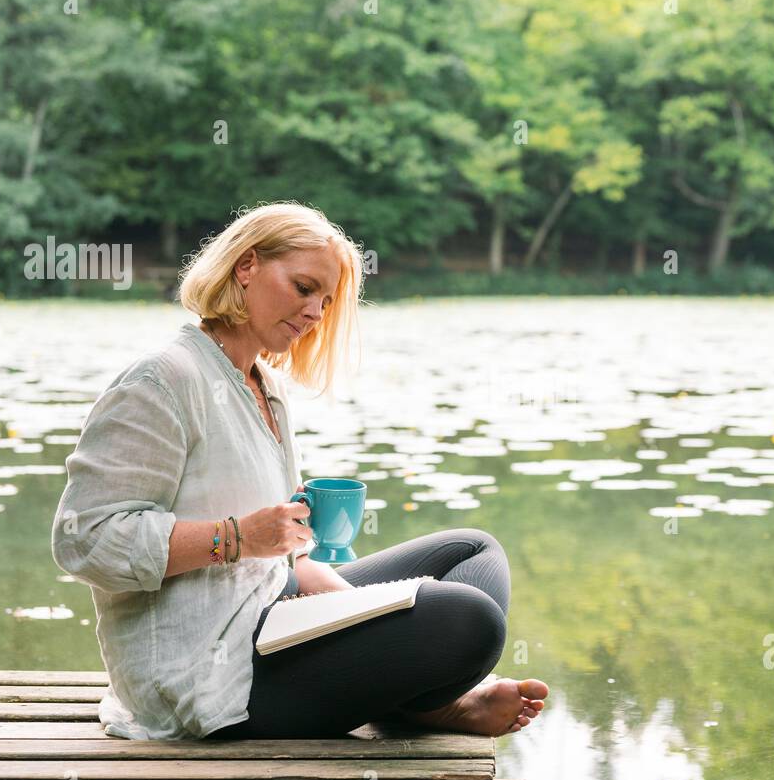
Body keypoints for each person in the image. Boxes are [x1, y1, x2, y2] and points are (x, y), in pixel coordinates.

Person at [50, 201, 547, 740]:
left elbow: (287, 558)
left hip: (274, 612)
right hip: (207, 674)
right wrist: (234, 538)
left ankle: (419, 698)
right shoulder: (162, 379)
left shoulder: (264, 386)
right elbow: (87, 540)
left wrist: (357, 608)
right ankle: (426, 706)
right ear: (246, 267)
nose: (315, 312)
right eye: (304, 287)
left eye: (325, 300)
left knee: (472, 554)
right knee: (468, 619)